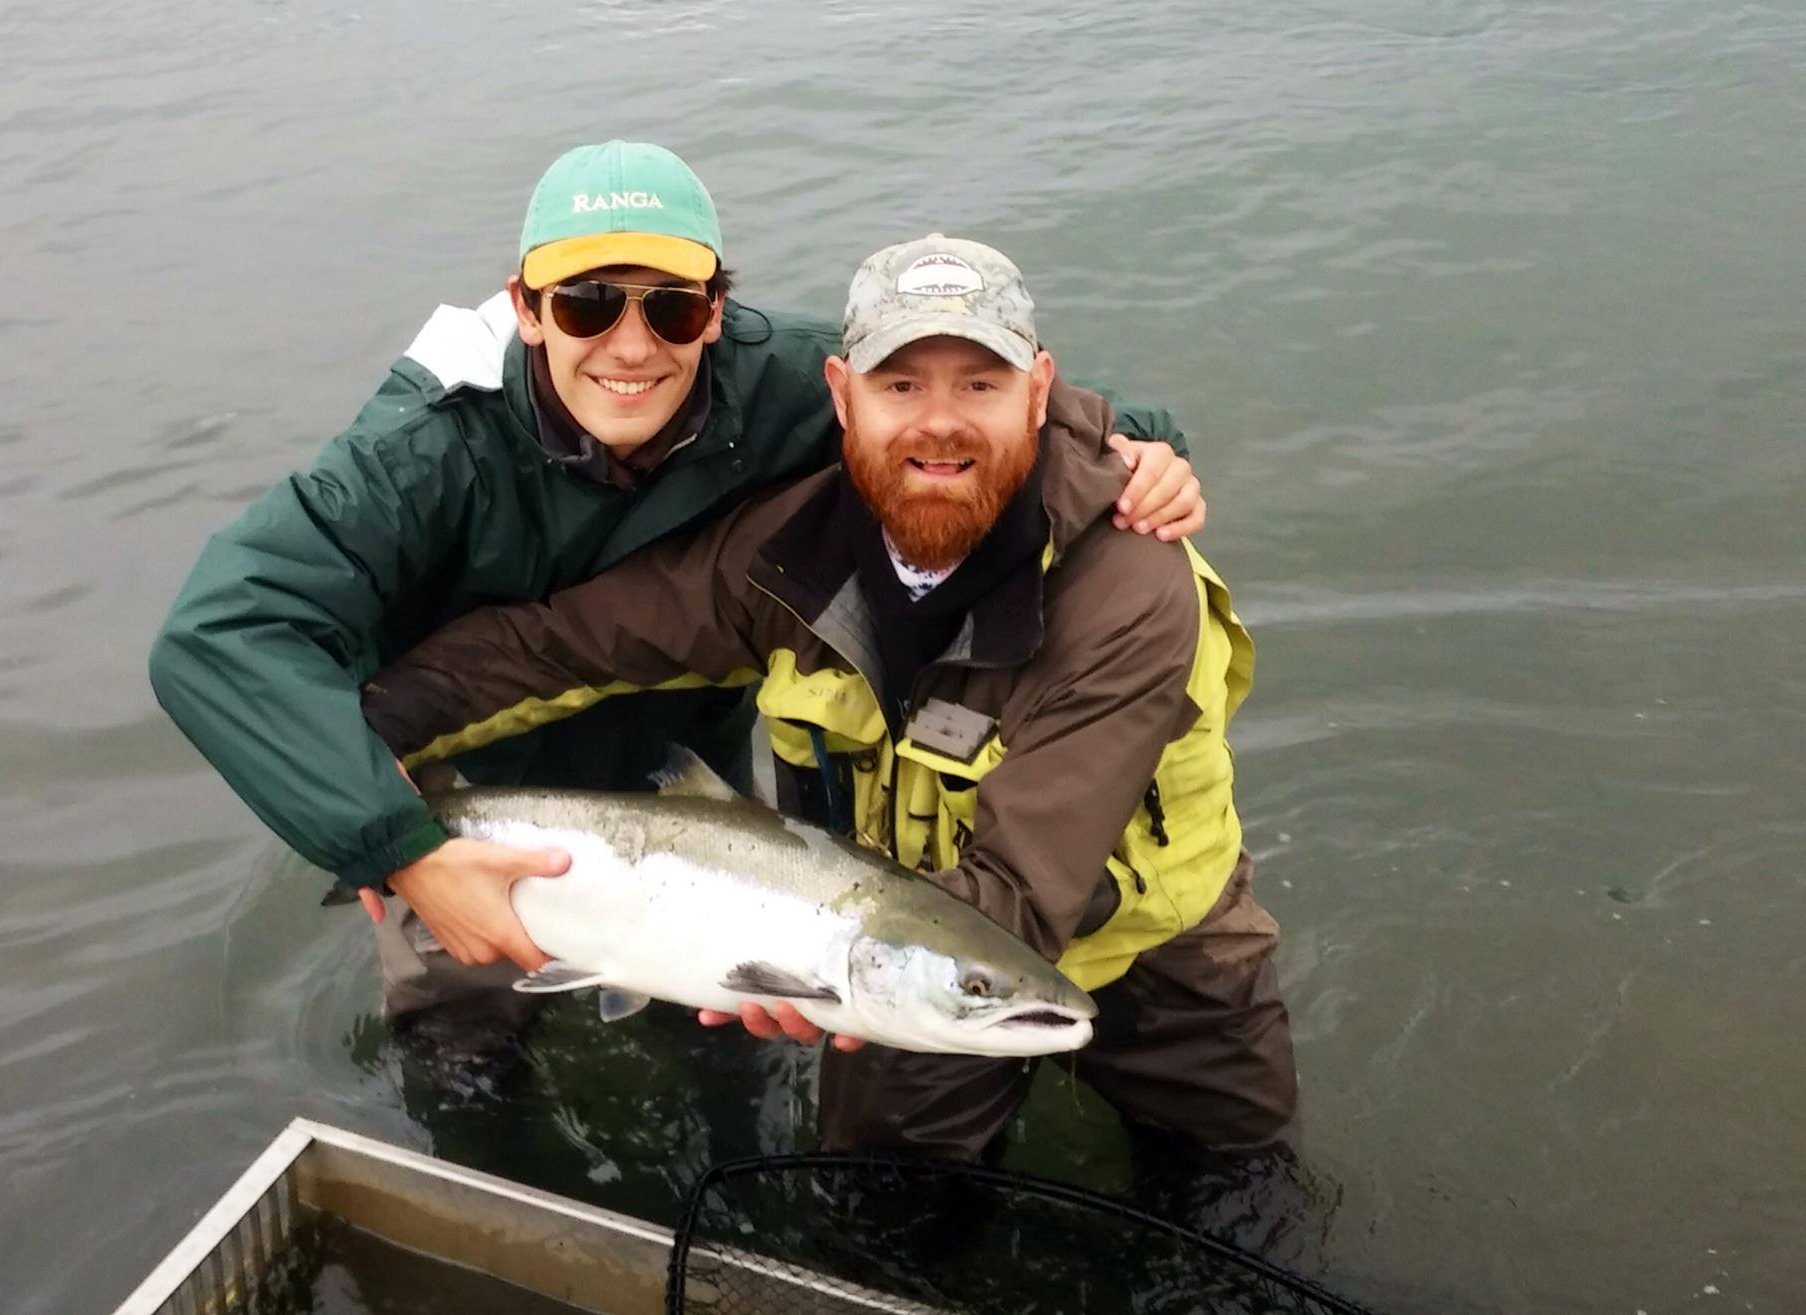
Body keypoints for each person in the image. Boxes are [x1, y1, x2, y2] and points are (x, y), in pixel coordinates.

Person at [148, 141, 1206, 1023]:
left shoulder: (789, 375)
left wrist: (1145, 457)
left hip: (688, 804)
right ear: (524, 308)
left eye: (671, 309)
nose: (630, 344)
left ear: (716, 310)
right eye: (586, 306)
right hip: (462, 794)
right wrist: (395, 841)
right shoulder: (418, 452)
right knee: (460, 1047)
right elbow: (218, 634)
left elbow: (995, 402)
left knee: (722, 1037)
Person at [358, 233, 1294, 1157]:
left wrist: (820, 976)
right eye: (900, 386)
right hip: (889, 942)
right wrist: (355, 761)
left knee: (1236, 1192)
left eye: (980, 384)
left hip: (1158, 953)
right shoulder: (780, 556)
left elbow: (1019, 892)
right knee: (878, 1219)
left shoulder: (1129, 584)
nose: (940, 422)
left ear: (1039, 392)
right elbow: (553, 648)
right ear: (842, 397)